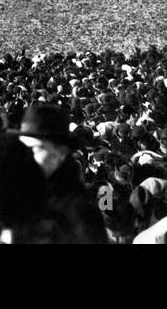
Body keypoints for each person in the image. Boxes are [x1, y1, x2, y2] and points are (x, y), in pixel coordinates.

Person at [13, 103, 108, 244]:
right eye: (22, 147)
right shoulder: (9, 184)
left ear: (60, 152)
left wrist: (108, 216)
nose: (25, 155)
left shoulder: (87, 198)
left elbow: (106, 194)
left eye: (34, 148)